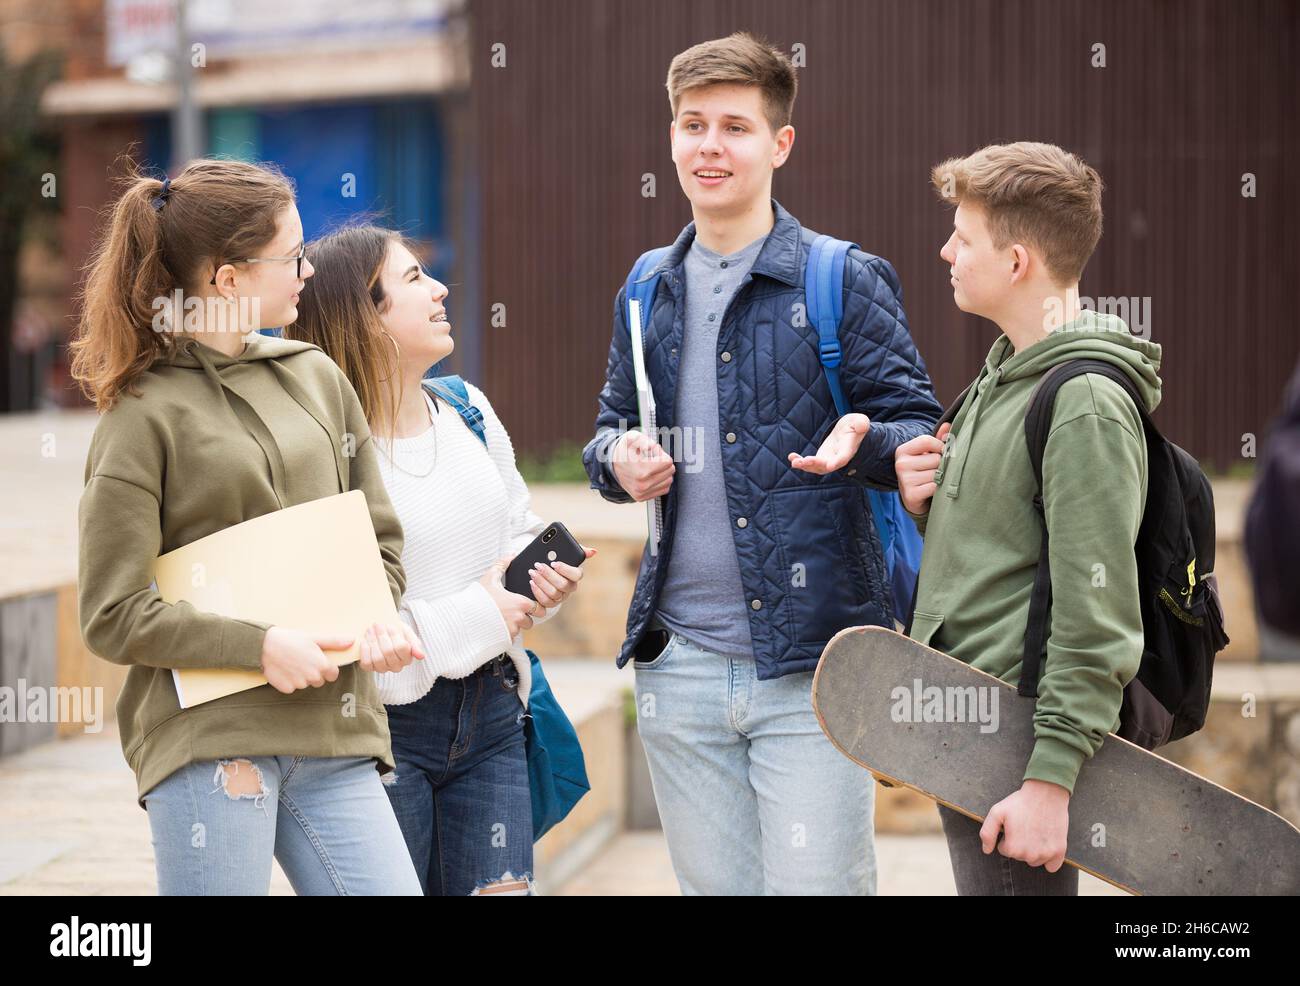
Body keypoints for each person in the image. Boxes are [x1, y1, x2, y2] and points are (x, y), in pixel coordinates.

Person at [581, 32, 941, 895]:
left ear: (780, 144)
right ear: (670, 137)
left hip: (813, 666)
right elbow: (608, 428)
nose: (710, 146)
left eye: (735, 127)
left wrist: (870, 444)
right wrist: (617, 460)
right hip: (680, 666)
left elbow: (922, 431)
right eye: (692, 124)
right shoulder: (645, 286)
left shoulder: (841, 278)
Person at [72, 159, 426, 896]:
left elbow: (381, 543)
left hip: (333, 730)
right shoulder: (140, 417)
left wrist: (375, 617)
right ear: (226, 279)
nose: (307, 269)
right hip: (211, 744)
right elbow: (112, 613)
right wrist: (258, 647)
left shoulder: (317, 377)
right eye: (290, 256)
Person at [288, 224, 595, 895]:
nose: (441, 289)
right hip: (384, 732)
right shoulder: (326, 457)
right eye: (413, 280)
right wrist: (484, 609)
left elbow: (515, 524)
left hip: (494, 714)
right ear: (363, 319)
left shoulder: (467, 410)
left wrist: (536, 575)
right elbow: (361, 636)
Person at [893, 141, 1159, 895]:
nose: (946, 250)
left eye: (964, 237)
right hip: (971, 739)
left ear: (1016, 263)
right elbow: (1001, 551)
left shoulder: (1083, 403)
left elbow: (1096, 609)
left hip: (1020, 754)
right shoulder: (1004, 373)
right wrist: (928, 502)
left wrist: (1049, 784)